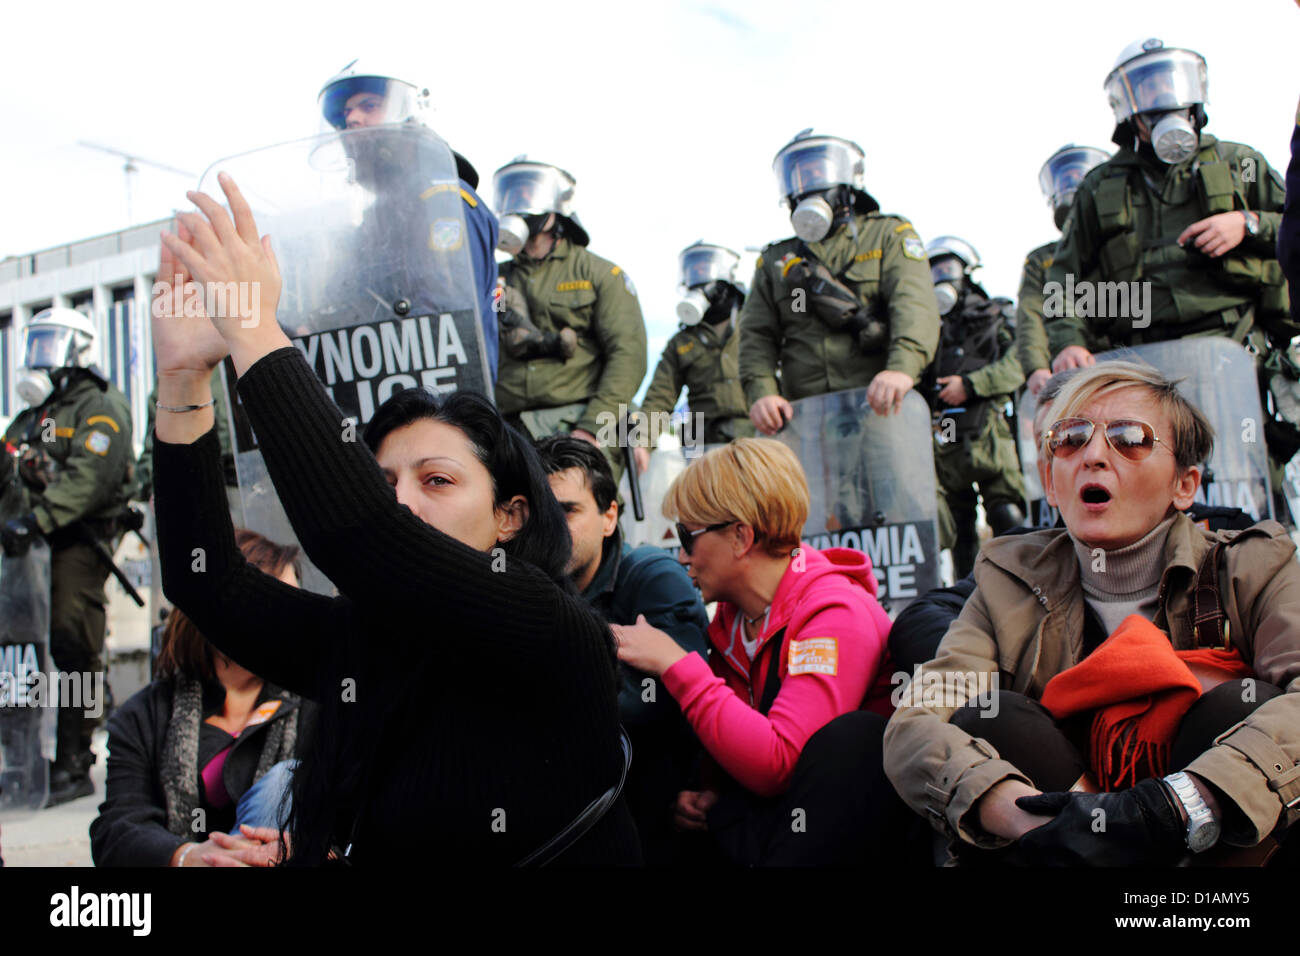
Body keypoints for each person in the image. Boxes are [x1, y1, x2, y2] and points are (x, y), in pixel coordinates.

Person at [148, 175, 640, 866]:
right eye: (381, 482)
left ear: (510, 516)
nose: (402, 501)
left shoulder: (549, 626)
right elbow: (207, 582)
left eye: (436, 479)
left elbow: (364, 537)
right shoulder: (368, 643)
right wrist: (183, 381)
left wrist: (253, 327)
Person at [884, 360, 1300, 866]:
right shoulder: (1004, 581)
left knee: (1240, 706)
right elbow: (917, 718)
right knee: (995, 719)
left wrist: (1180, 805)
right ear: (1050, 482)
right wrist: (1035, 819)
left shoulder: (1255, 564)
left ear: (1185, 484)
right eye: (1070, 437)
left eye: (1130, 437)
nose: (1095, 455)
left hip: (1210, 854)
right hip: (1063, 850)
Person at [612, 438, 915, 865]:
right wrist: (713, 791)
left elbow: (778, 763)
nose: (681, 556)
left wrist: (677, 664)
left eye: (687, 536)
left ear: (741, 537)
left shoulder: (835, 613)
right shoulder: (735, 622)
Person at [1044, 39, 1297, 484]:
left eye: (1168, 82)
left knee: (1248, 485)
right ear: (1128, 111)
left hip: (1234, 355)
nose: (1162, 99)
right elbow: (1064, 281)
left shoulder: (1239, 163)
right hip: (1141, 366)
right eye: (1146, 89)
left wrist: (1248, 222)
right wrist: (1068, 342)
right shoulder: (1100, 186)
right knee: (1151, 486)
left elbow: (1293, 222)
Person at [90, 529, 310, 867]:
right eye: (276, 603)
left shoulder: (318, 705)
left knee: (286, 782)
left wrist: (317, 849)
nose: (293, 620)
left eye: (297, 604)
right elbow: (118, 830)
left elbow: (358, 821)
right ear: (219, 607)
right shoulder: (145, 715)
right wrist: (187, 856)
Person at [536, 435, 709, 864]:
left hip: (660, 820)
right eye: (542, 513)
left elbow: (660, 700)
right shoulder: (529, 584)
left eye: (569, 510)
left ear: (609, 516)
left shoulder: (653, 576)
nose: (554, 527)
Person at [1, 307, 134, 806]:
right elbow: (11, 456)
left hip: (76, 541)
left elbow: (90, 475)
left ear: (78, 346)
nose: (39, 353)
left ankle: (75, 760)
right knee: (20, 649)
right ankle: (22, 757)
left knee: (71, 640)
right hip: (24, 552)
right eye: (35, 341)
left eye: (50, 341)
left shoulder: (97, 406)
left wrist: (38, 517)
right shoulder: (39, 415)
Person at [739, 129, 940, 433]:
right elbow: (756, 334)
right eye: (800, 175)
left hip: (884, 409)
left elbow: (913, 307)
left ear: (848, 176)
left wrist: (902, 369)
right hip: (807, 422)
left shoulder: (889, 235)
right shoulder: (775, 261)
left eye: (818, 170)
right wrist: (762, 392)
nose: (808, 182)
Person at [317, 60, 500, 382]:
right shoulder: (379, 217)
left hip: (445, 402)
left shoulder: (442, 200)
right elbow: (352, 302)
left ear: (409, 115)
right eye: (345, 115)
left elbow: (445, 317)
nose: (352, 120)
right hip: (390, 396)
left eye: (369, 106)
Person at [491, 158, 648, 480]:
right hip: (508, 430)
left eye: (526, 193)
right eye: (510, 194)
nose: (516, 204)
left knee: (581, 523)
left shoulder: (599, 273)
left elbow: (629, 356)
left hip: (575, 425)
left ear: (556, 204)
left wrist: (591, 428)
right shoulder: (491, 278)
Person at [921, 236, 1026, 578]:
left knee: (1006, 512)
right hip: (946, 436)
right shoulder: (924, 328)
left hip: (990, 431)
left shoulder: (997, 314)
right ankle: (968, 600)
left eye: (948, 268)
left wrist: (970, 385)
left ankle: (1023, 584)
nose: (941, 277)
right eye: (934, 270)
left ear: (967, 272)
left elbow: (1020, 362)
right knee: (958, 525)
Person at [640, 242, 755, 451]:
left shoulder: (756, 324)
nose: (697, 275)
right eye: (692, 269)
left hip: (757, 437)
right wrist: (643, 441)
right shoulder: (681, 342)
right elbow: (660, 395)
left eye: (704, 267)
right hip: (704, 446)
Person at [1017, 145, 1110, 396]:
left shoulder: (1119, 244)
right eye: (1065, 178)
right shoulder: (1042, 260)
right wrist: (1036, 367)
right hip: (1069, 372)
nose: (1072, 184)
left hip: (1131, 357)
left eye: (1079, 176)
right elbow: (1030, 316)